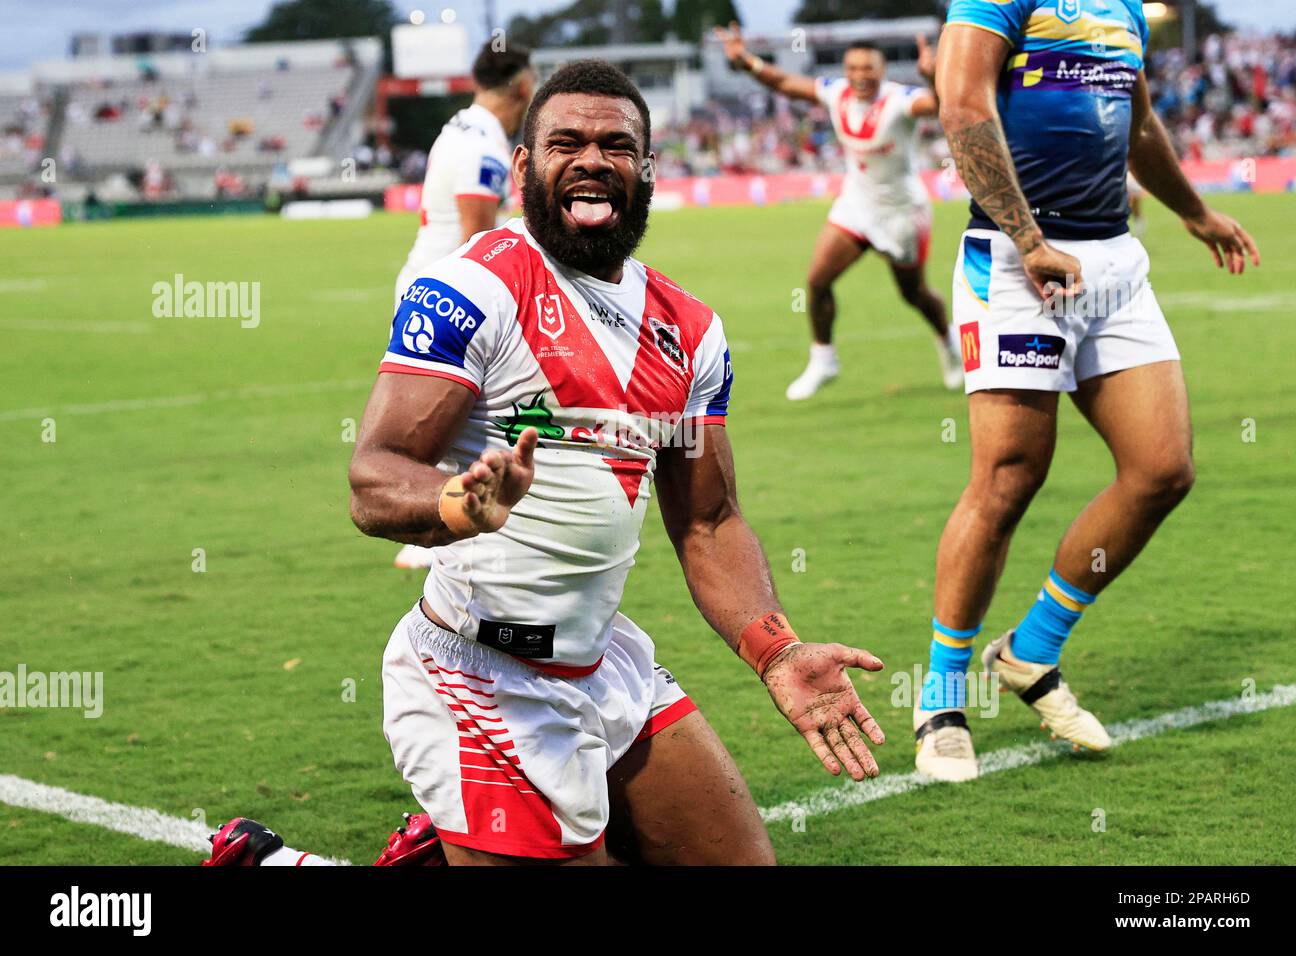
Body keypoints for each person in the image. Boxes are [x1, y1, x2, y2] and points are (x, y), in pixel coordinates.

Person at [209, 60, 886, 866]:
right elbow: (375, 474)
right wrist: (461, 506)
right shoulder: (473, 288)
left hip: (602, 662)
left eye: (617, 145)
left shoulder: (692, 329)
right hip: (479, 670)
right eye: (565, 142)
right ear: (525, 166)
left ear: (647, 170)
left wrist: (775, 649)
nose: (593, 159)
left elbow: (708, 519)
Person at [913, 0, 1259, 782]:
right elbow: (962, 101)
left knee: (1162, 469)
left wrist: (1195, 213)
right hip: (1012, 261)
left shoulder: (1126, 8)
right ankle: (939, 699)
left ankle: (1031, 651)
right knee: (1008, 477)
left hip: (1112, 263)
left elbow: (1137, 126)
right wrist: (1030, 240)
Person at [716, 23, 964, 398]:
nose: (859, 76)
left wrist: (934, 79)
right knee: (817, 280)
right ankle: (824, 358)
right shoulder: (836, 94)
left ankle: (948, 343)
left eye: (868, 68)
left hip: (900, 213)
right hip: (856, 204)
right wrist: (747, 61)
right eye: (853, 68)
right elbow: (785, 83)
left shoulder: (899, 101)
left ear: (882, 71)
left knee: (913, 295)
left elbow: (940, 106)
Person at [393, 41, 536, 570]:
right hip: (449, 300)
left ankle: (442, 523)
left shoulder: (461, 126)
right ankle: (426, 529)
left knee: (448, 423)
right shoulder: (485, 148)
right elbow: (478, 235)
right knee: (449, 422)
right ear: (522, 86)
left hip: (426, 286)